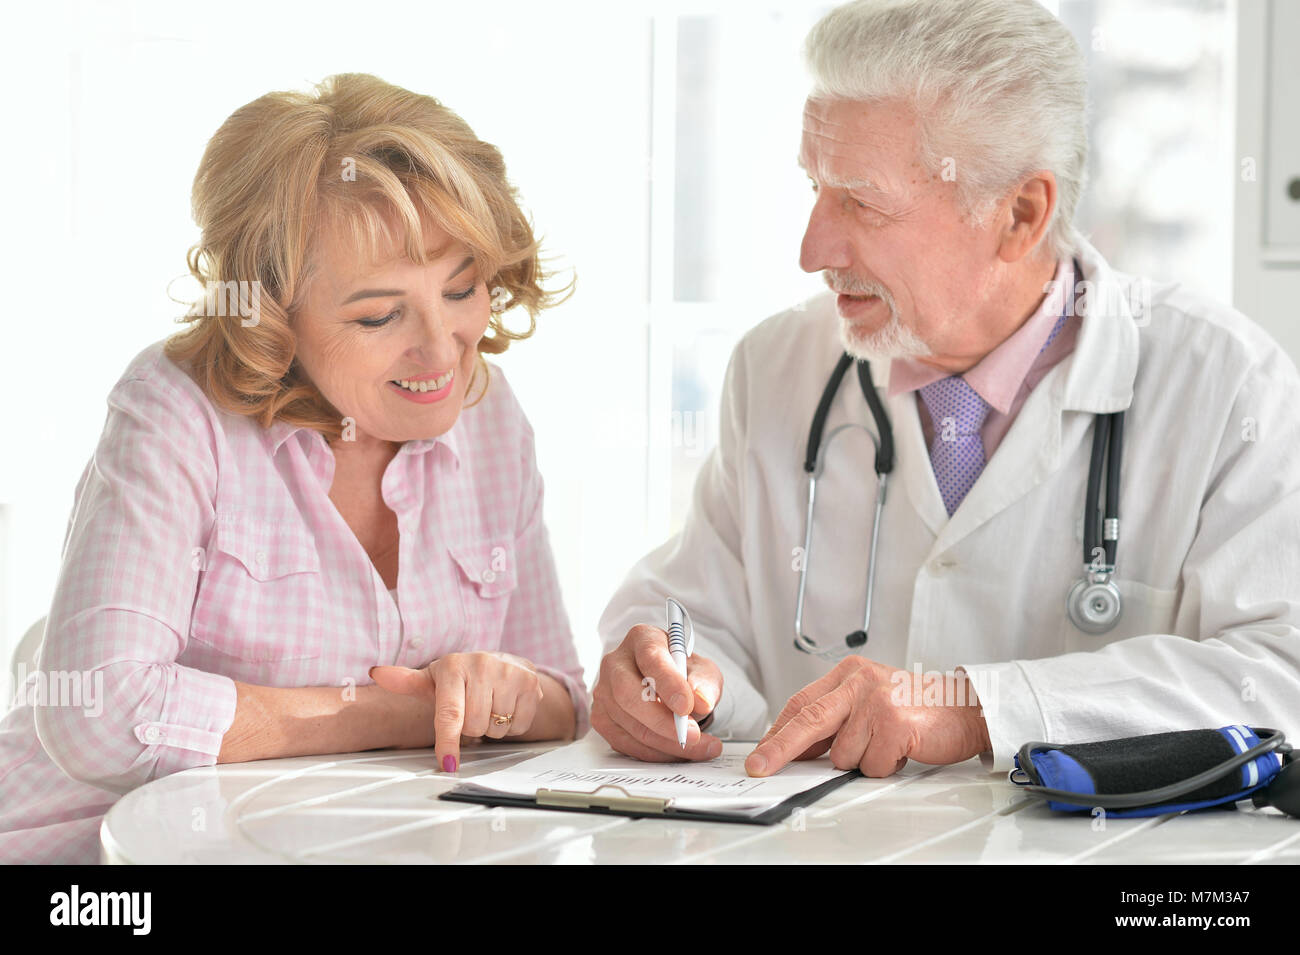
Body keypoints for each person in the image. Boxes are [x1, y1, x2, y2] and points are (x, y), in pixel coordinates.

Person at [593, 0, 1300, 780]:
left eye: (861, 201)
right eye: (815, 188)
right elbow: (693, 615)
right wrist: (672, 674)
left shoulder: (1227, 386)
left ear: (1019, 216)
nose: (811, 249)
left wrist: (977, 706)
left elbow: (1278, 676)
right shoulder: (777, 367)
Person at [0, 73, 587, 864]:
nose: (441, 344)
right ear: (273, 310)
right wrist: (405, 712)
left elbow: (562, 700)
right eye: (379, 314)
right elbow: (98, 712)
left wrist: (507, 694)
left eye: (462, 288)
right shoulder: (176, 410)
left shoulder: (489, 416)